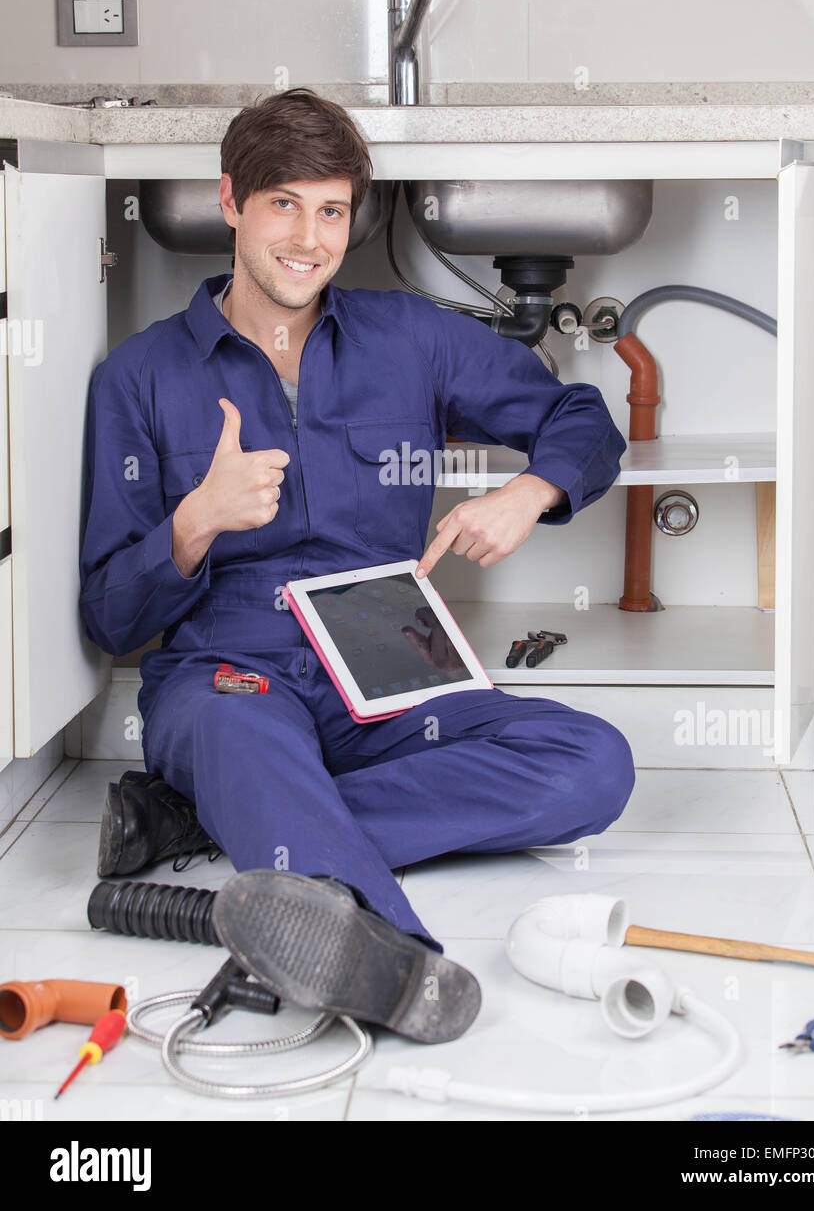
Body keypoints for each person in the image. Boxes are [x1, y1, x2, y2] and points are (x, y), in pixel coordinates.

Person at [79, 87, 635, 1043]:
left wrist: (527, 493)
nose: (309, 237)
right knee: (240, 737)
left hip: (388, 649)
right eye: (283, 205)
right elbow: (109, 615)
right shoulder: (139, 377)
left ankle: (214, 821)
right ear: (230, 203)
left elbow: (578, 415)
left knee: (592, 765)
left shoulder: (410, 338)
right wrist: (193, 526)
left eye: (331, 209)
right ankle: (393, 964)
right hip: (230, 664)